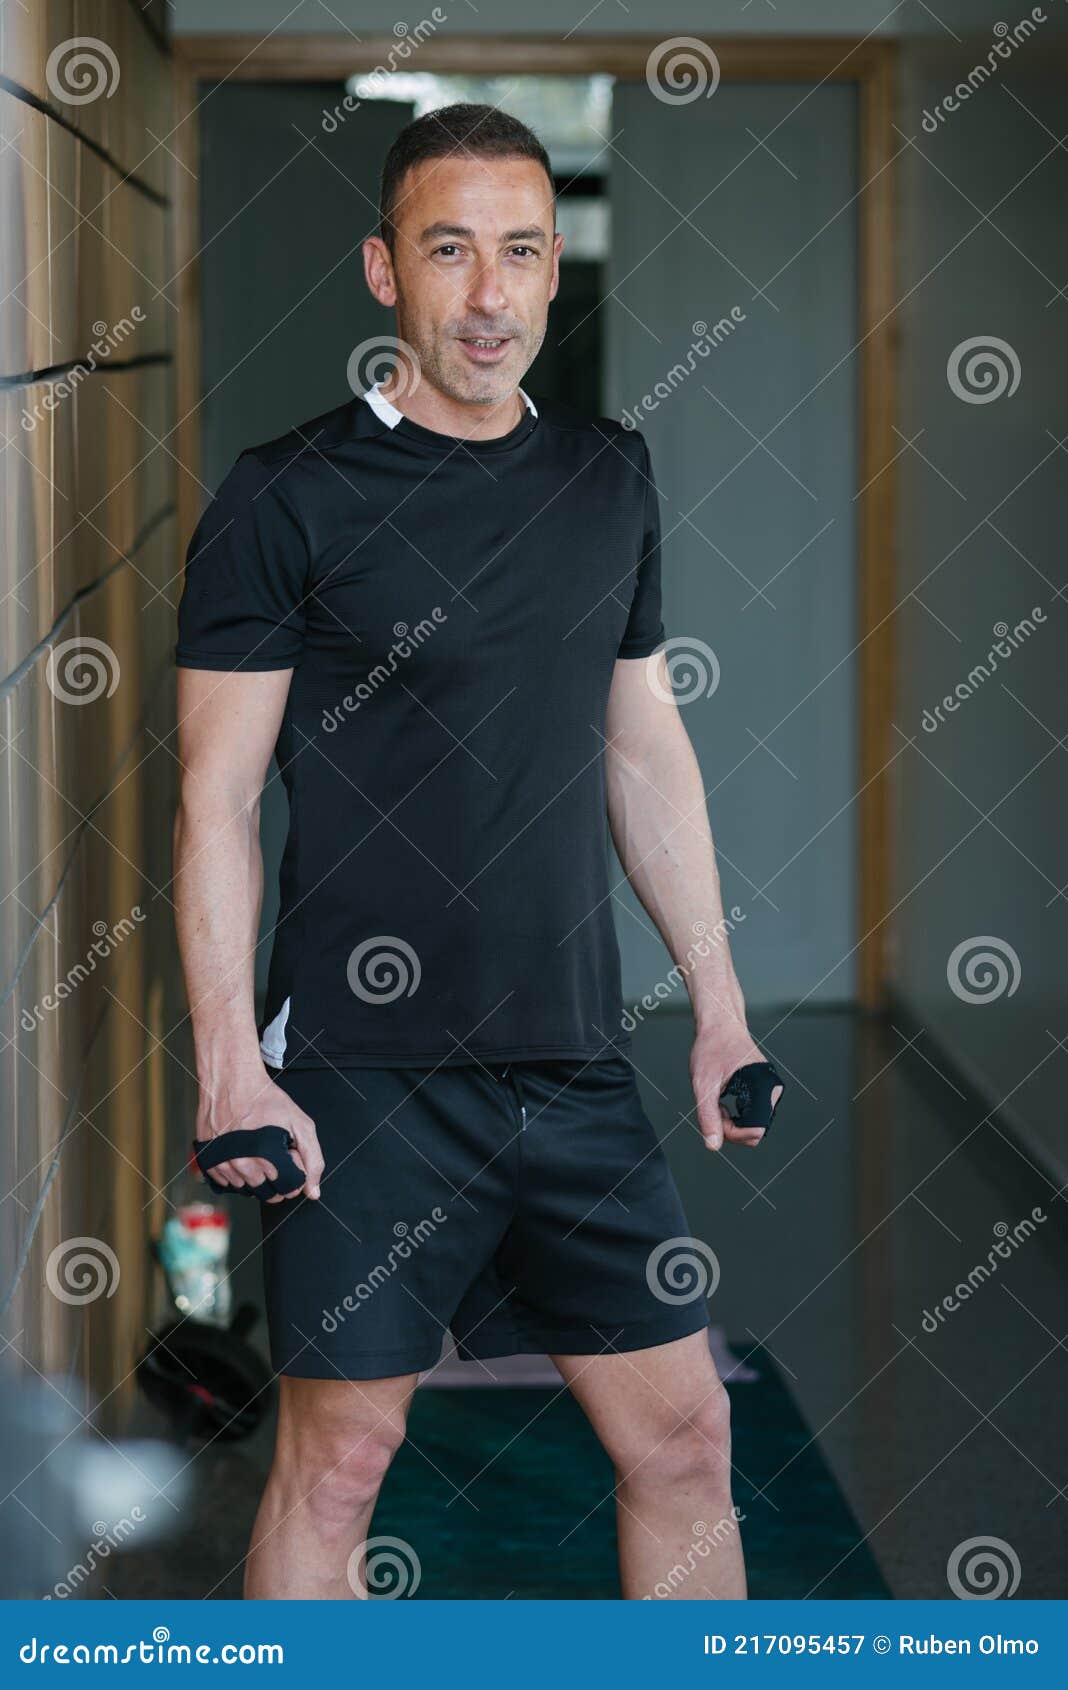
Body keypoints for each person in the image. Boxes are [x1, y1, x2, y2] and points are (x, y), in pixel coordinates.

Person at [173, 103, 774, 1602]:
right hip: (365, 1074)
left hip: (571, 1061)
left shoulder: (608, 478)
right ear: (386, 271)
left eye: (520, 251)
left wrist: (718, 1007)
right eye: (450, 251)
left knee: (686, 1440)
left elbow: (644, 752)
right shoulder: (286, 495)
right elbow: (215, 800)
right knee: (339, 1465)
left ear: (556, 268)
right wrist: (232, 1068)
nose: (490, 294)